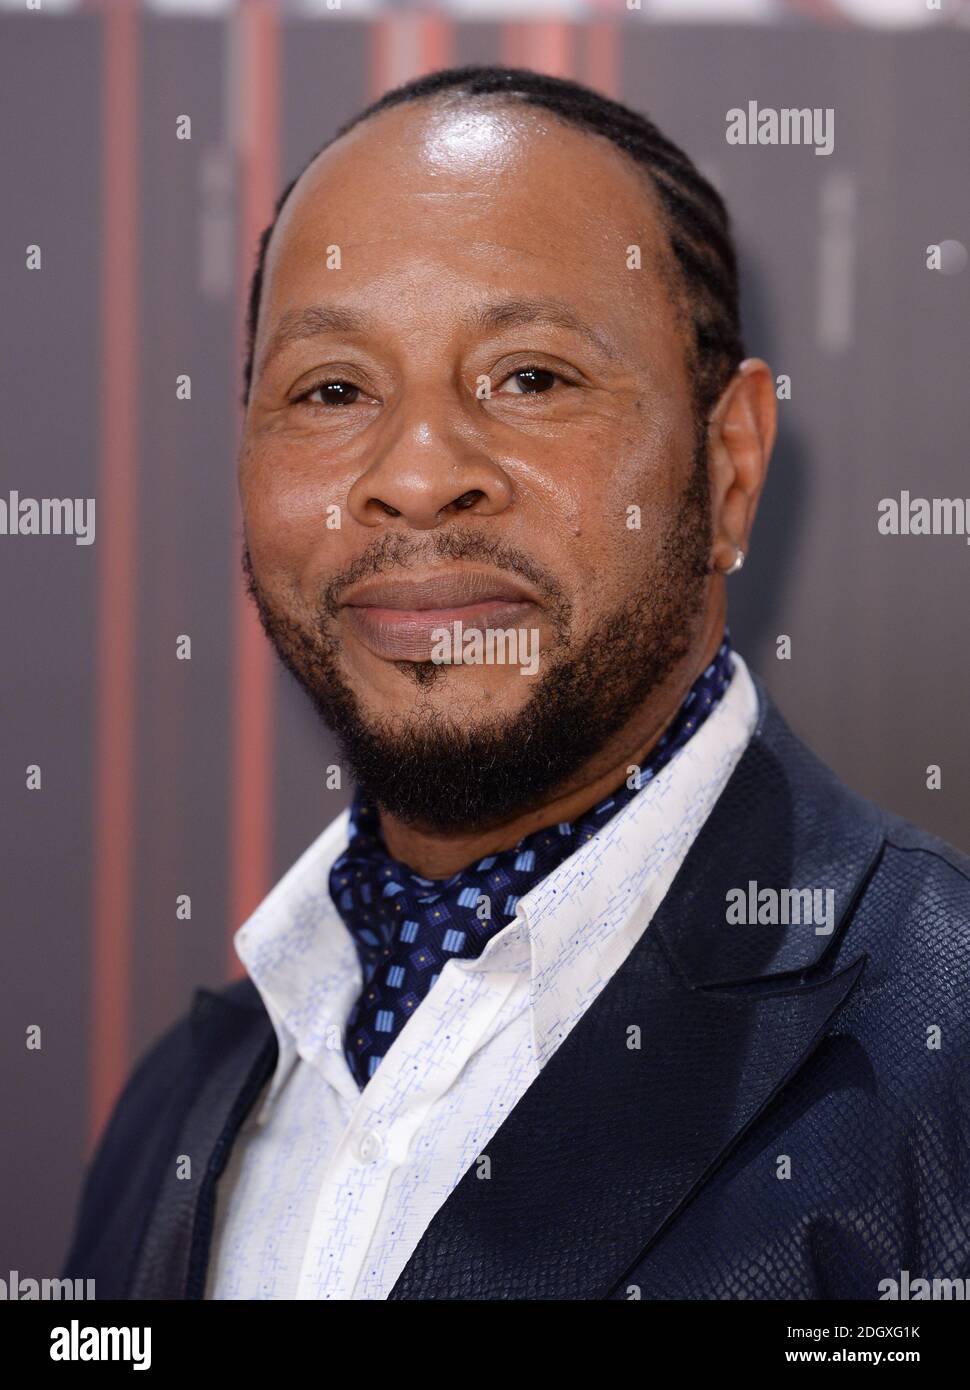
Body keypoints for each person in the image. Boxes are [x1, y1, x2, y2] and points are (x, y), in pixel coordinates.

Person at [63, 65, 970, 1301]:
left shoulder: (946, 1048)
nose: (419, 473)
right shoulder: (177, 1102)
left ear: (731, 466)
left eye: (530, 376)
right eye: (333, 390)